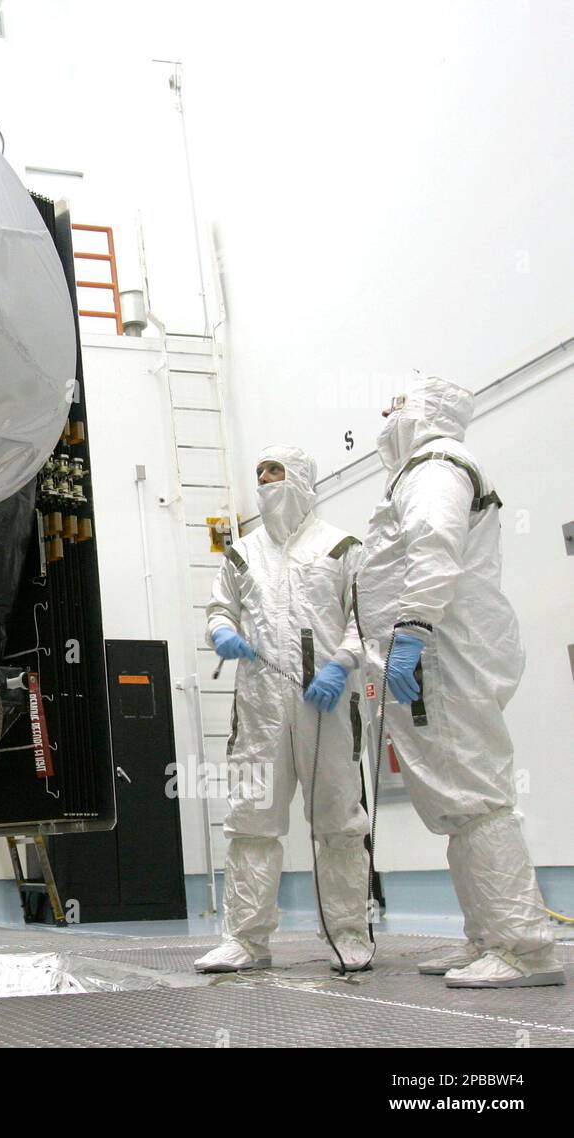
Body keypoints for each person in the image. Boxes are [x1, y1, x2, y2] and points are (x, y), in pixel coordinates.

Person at [356, 375, 564, 988]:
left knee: (473, 798)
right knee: (456, 803)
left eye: (395, 407)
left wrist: (413, 628)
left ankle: (525, 949)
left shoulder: (435, 466)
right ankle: (489, 937)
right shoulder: (424, 468)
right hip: (435, 654)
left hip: (440, 654)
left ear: (422, 415)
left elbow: (434, 546)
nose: (384, 418)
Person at [194, 445, 373, 973]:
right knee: (251, 820)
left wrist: (342, 663)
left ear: (301, 477)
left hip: (329, 703)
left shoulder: (341, 547)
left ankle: (349, 934)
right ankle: (245, 941)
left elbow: (366, 617)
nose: (266, 479)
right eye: (259, 471)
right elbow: (219, 607)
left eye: (275, 470)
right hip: (260, 704)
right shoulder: (242, 553)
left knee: (339, 821)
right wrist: (222, 630)